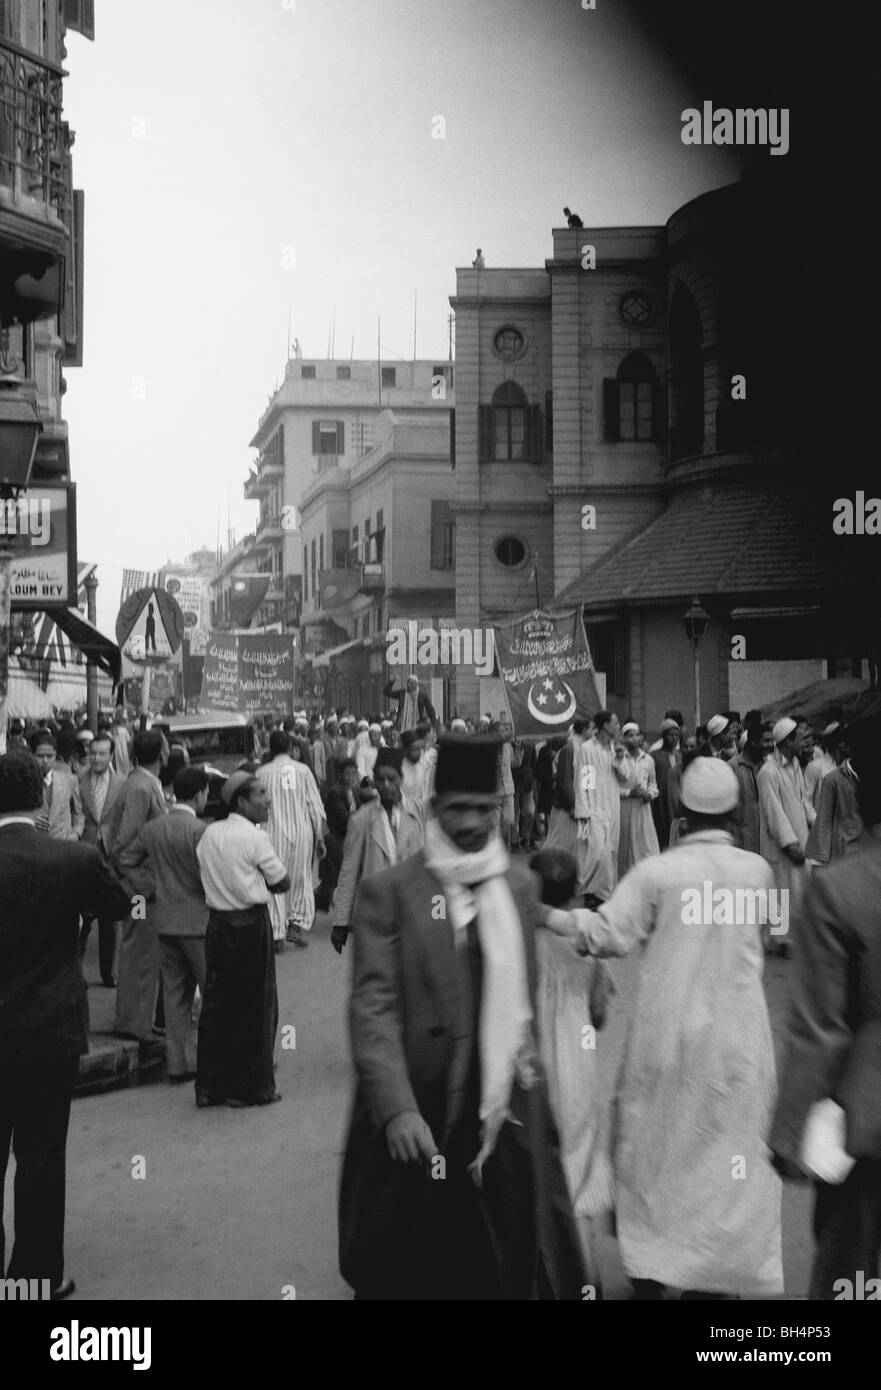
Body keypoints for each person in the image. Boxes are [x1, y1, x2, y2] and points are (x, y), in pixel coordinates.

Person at [337, 734, 586, 1300]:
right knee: (413, 1262)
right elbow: (373, 1009)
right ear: (434, 808)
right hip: (421, 1116)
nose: (473, 823)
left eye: (486, 808)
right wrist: (396, 1110)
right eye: (458, 809)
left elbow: (520, 1004)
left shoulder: (518, 885)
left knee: (512, 1256)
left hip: (502, 1112)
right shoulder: (390, 894)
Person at [543, 756, 783, 1299]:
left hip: (667, 1037)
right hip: (741, 1043)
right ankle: (715, 1276)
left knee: (654, 1152)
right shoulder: (760, 871)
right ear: (736, 812)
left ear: (681, 813)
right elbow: (771, 932)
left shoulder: (657, 873)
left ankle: (653, 1269)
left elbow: (605, 935)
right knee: (727, 1159)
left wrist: (548, 916)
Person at [0, 749, 131, 1300]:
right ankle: (30, 1282)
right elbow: (123, 905)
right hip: (47, 1032)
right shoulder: (72, 859)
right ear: (42, 795)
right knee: (41, 1158)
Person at [769, 715, 881, 1299]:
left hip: (865, 1131)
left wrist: (788, 1135)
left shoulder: (842, 892)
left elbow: (820, 1031)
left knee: (853, 1275)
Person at [529, 847, 614, 1293]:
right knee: (577, 1181)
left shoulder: (521, 940)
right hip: (577, 1066)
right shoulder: (587, 940)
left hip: (534, 1068)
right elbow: (599, 1015)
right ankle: (587, 1281)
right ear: (577, 889)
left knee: (537, 1174)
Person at [195, 773, 290, 1108]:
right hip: (250, 925)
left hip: (218, 925)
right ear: (241, 803)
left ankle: (210, 1086)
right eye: (261, 794)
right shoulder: (255, 838)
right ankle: (251, 1087)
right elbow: (282, 881)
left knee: (218, 1004)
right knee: (257, 1005)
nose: (267, 800)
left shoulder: (209, 835)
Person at [118, 767, 210, 1083]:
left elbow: (124, 860)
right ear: (200, 794)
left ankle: (179, 1063)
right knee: (215, 991)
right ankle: (219, 1059)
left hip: (165, 921)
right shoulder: (200, 830)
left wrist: (150, 886)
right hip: (199, 922)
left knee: (174, 996)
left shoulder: (153, 829)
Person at [103, 730, 168, 1041]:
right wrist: (139, 880)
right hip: (141, 888)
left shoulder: (144, 782)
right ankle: (133, 1023)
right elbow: (125, 841)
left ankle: (141, 1020)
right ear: (162, 754)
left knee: (145, 952)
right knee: (139, 952)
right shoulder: (141, 787)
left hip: (146, 884)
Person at [331, 746, 423, 954]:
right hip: (376, 914)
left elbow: (431, 867)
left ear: (401, 778)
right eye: (380, 779)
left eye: (392, 779)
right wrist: (340, 922)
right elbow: (349, 870)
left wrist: (439, 914)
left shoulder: (417, 812)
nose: (386, 785)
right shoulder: (362, 818)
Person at [256, 731, 327, 951]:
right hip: (301, 834)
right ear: (289, 747)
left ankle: (277, 934)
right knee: (299, 881)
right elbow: (315, 806)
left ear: (270, 748)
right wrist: (320, 838)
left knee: (274, 882)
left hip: (272, 835)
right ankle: (294, 933)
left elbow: (256, 805)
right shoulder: (303, 770)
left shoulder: (261, 772)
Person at [758, 716, 815, 956]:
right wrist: (789, 843)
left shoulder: (795, 767)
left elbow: (804, 802)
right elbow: (774, 812)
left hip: (800, 838)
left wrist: (817, 824)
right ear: (788, 740)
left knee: (797, 891)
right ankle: (779, 940)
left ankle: (790, 938)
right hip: (781, 844)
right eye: (801, 739)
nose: (805, 744)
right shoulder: (768, 772)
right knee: (780, 892)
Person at [77, 731, 125, 987]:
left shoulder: (122, 783)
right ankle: (75, 973)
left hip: (110, 858)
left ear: (111, 755)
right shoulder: (78, 780)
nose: (95, 758)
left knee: (111, 921)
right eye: (92, 753)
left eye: (101, 754)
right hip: (84, 856)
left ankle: (109, 974)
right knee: (81, 920)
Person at [573, 710, 629, 905]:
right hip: (593, 808)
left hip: (613, 807)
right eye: (615, 722)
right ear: (605, 725)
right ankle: (588, 890)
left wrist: (619, 759)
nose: (619, 726)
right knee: (597, 852)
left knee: (610, 851)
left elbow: (625, 779)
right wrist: (583, 811)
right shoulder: (588, 749)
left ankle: (602, 895)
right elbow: (584, 781)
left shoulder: (617, 749)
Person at [805, 729, 864, 865]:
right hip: (831, 830)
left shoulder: (852, 768)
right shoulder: (816, 767)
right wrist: (820, 824)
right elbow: (806, 800)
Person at [616, 723, 660, 876]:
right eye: (630, 735)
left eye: (637, 735)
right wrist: (629, 793)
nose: (634, 739)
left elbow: (653, 784)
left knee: (645, 845)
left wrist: (650, 794)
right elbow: (611, 788)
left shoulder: (648, 760)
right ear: (624, 738)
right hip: (624, 810)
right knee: (624, 846)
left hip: (643, 810)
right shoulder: (619, 759)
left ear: (642, 737)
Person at [30, 729, 84, 841]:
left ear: (55, 755)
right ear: (32, 755)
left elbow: (78, 813)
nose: (45, 761)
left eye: (49, 756)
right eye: (40, 756)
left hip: (64, 845)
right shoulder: (24, 783)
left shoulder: (69, 780)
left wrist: (76, 833)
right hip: (35, 846)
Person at [731, 720, 771, 855]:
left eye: (771, 741)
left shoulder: (770, 767)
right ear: (753, 742)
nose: (770, 745)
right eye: (766, 741)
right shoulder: (732, 767)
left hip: (767, 844)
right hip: (740, 844)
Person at [650, 718, 681, 848]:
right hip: (661, 801)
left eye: (676, 735)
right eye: (670, 735)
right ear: (663, 736)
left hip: (677, 801)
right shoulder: (654, 756)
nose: (674, 738)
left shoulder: (680, 755)